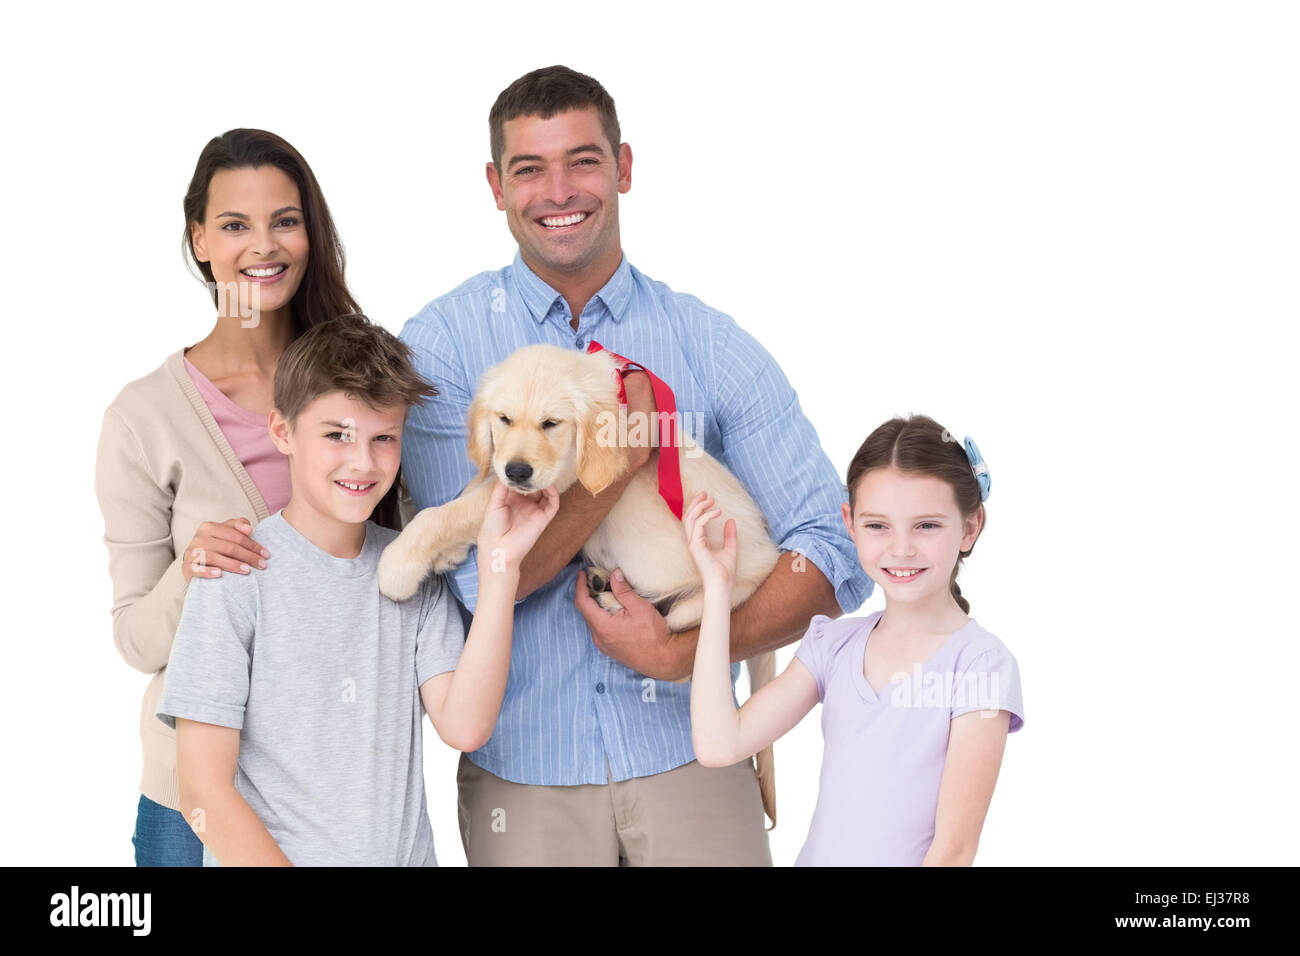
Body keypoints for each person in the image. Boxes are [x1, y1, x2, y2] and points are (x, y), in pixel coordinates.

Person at [399, 65, 873, 865]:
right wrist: (615, 465)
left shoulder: (707, 343)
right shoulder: (445, 351)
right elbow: (484, 584)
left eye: (583, 161)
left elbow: (833, 550)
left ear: (623, 167)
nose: (559, 190)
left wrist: (685, 654)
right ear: (495, 185)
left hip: (695, 757)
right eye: (528, 169)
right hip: (527, 780)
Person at [154, 315, 559, 865]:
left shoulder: (412, 572)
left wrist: (501, 568)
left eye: (383, 438)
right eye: (336, 435)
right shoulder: (235, 576)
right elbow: (203, 789)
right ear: (282, 432)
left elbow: (465, 726)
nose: (362, 462)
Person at [94, 129, 369, 866]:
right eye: (234, 225)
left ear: (310, 231)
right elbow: (135, 641)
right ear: (199, 239)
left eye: (284, 219)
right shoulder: (142, 418)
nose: (263, 245)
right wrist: (192, 567)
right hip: (191, 799)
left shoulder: (361, 383)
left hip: (337, 786)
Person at [686, 414, 1025, 865]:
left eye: (926, 525)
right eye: (877, 525)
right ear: (849, 522)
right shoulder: (833, 644)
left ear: (969, 527)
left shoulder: (980, 665)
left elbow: (954, 849)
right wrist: (717, 588)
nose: (901, 548)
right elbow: (718, 744)